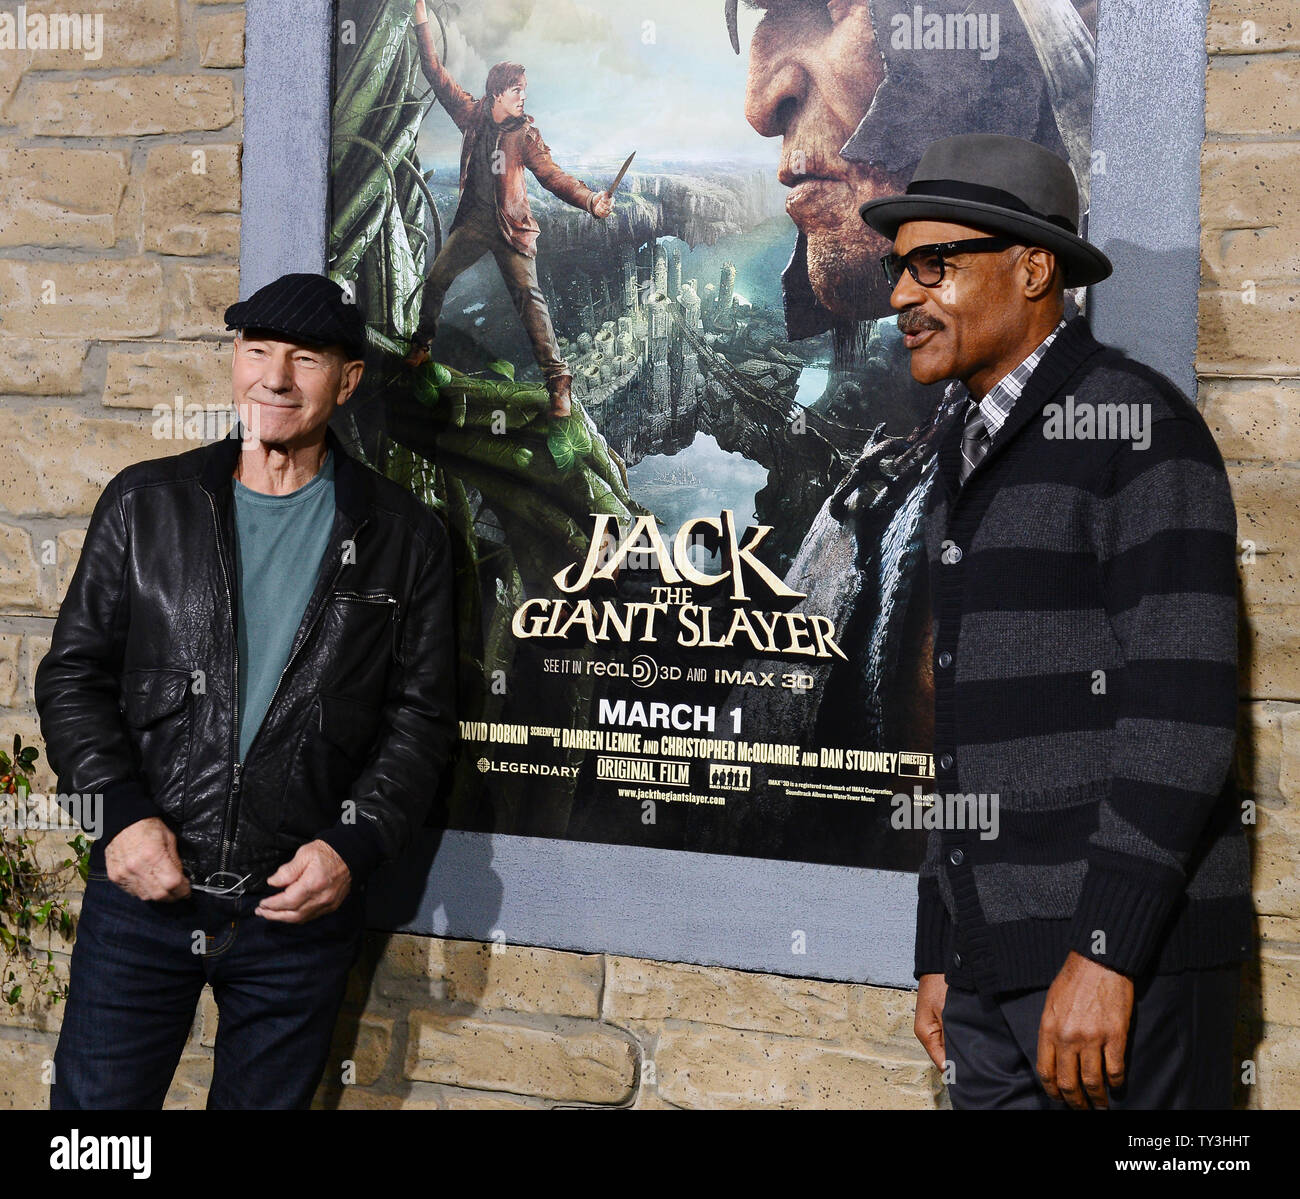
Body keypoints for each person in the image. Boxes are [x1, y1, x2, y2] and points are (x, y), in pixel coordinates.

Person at [859, 133, 1252, 1109]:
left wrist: (1104, 952)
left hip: (1125, 977)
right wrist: (941, 945)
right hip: (994, 971)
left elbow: (1183, 714)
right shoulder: (961, 445)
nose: (902, 295)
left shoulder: (1137, 427)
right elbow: (959, 732)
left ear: (1033, 269)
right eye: (897, 268)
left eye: (931, 264)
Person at [34, 272, 459, 1109]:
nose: (274, 377)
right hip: (142, 896)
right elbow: (72, 675)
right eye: (256, 350)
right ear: (234, 359)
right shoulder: (145, 504)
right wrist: (117, 815)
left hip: (293, 913)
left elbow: (420, 720)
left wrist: (352, 844)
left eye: (305, 358)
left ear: (348, 379)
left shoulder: (404, 539)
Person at [406, 0, 613, 419]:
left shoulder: (526, 136)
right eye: (517, 91)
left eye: (525, 92)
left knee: (530, 301)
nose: (523, 98)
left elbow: (554, 177)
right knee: (437, 279)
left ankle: (559, 383)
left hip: (513, 230)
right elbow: (433, 70)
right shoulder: (471, 113)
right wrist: (422, 17)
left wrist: (591, 201)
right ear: (497, 93)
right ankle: (419, 347)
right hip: (475, 224)